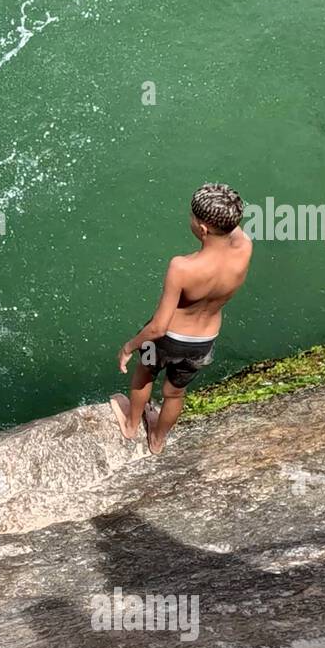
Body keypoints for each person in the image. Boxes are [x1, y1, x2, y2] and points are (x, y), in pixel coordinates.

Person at [112, 183, 253, 454]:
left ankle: (131, 426)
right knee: (175, 392)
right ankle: (157, 440)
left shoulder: (183, 267)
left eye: (192, 217)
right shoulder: (244, 248)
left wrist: (128, 347)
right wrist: (223, 208)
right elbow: (231, 227)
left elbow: (158, 327)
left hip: (166, 340)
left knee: (145, 371)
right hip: (202, 344)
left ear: (201, 229)